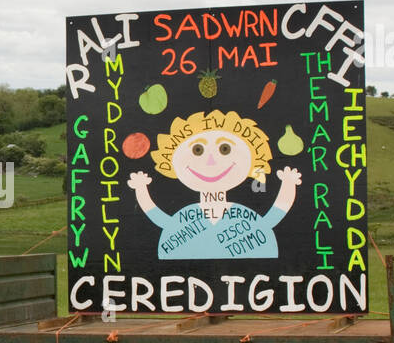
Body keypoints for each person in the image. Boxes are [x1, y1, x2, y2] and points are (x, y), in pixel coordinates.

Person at [127, 109, 301, 259]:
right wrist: (141, 188)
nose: (211, 161)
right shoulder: (182, 225)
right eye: (197, 150)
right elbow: (159, 218)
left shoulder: (247, 223)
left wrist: (288, 184)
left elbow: (273, 217)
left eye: (225, 149)